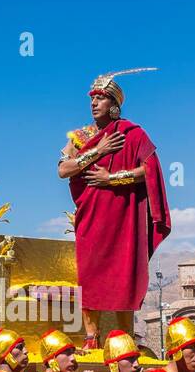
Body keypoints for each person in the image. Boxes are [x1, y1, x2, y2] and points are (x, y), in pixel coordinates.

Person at [57, 70, 171, 348]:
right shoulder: (80, 136)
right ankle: (90, 338)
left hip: (123, 217)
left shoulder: (133, 134)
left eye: (101, 98)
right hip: (91, 216)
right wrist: (98, 151)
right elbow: (63, 170)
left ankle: (124, 337)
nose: (94, 103)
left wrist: (112, 179)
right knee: (91, 272)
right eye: (92, 99)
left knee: (123, 272)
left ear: (115, 104)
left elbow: (151, 170)